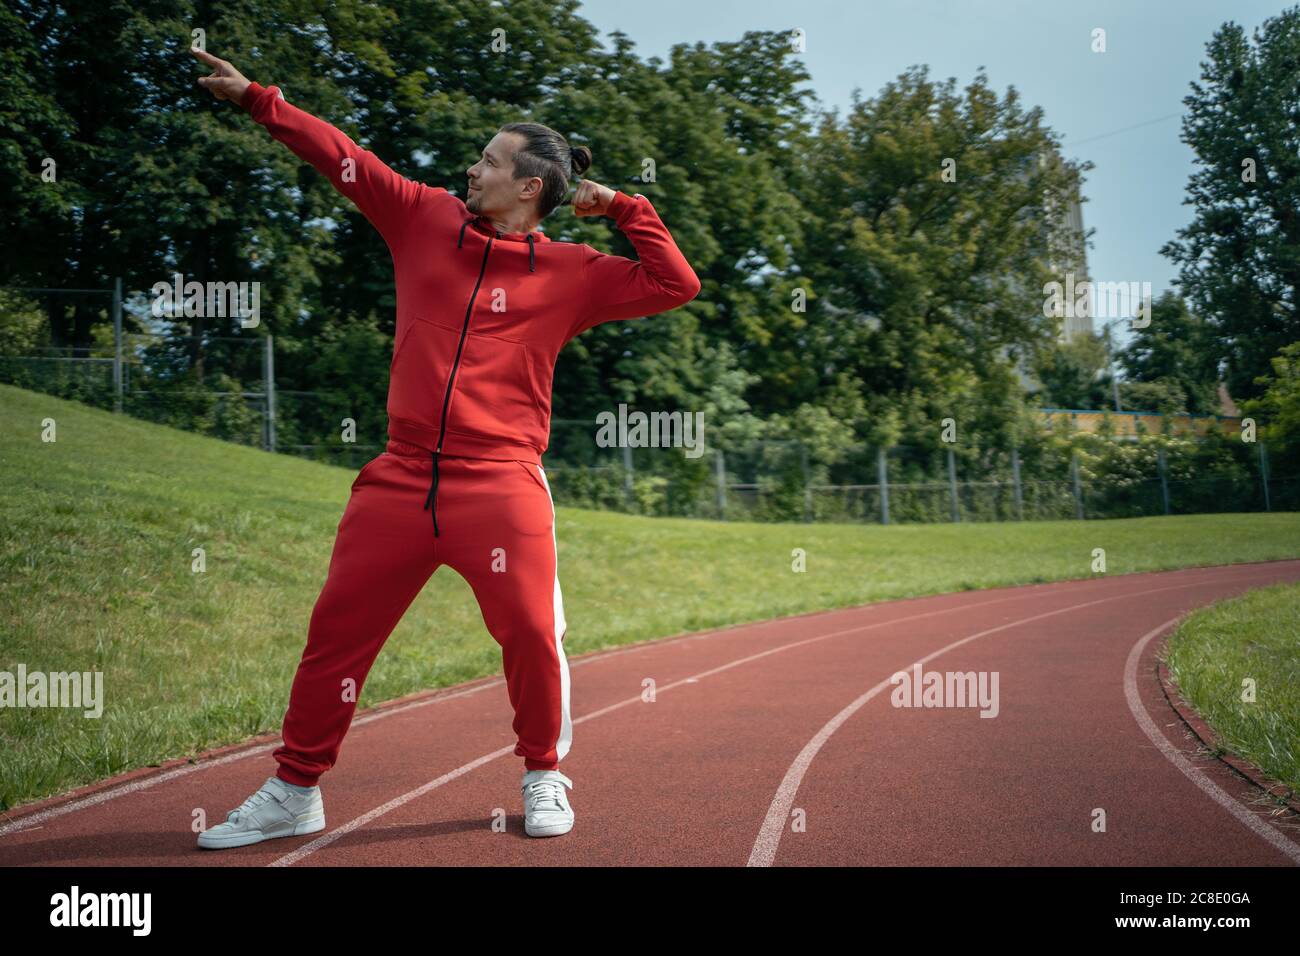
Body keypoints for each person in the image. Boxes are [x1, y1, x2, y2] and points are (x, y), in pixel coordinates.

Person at [188, 46, 700, 847]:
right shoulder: (423, 217)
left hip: (500, 485)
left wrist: (622, 207)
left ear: (529, 186)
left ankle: (543, 774)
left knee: (533, 634)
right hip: (397, 481)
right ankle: (295, 790)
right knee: (335, 640)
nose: (473, 168)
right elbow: (344, 157)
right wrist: (258, 98)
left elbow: (677, 284)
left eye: (490, 161)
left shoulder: (574, 272)